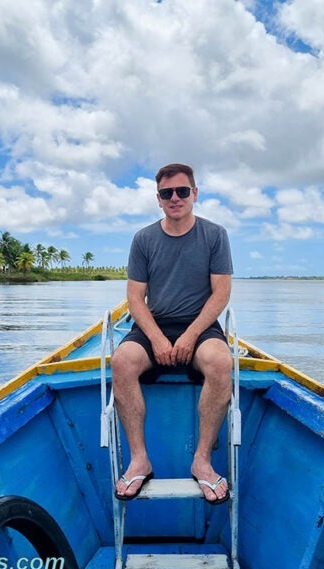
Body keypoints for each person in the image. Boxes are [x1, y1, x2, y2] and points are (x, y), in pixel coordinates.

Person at [111, 162, 234, 504]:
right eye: (167, 193)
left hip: (200, 325)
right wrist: (157, 338)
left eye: (182, 191)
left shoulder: (214, 235)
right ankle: (139, 460)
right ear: (159, 199)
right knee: (121, 361)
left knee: (221, 363)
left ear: (195, 194)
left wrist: (190, 336)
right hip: (155, 324)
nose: (175, 198)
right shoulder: (144, 239)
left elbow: (221, 294)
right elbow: (135, 298)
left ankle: (202, 460)